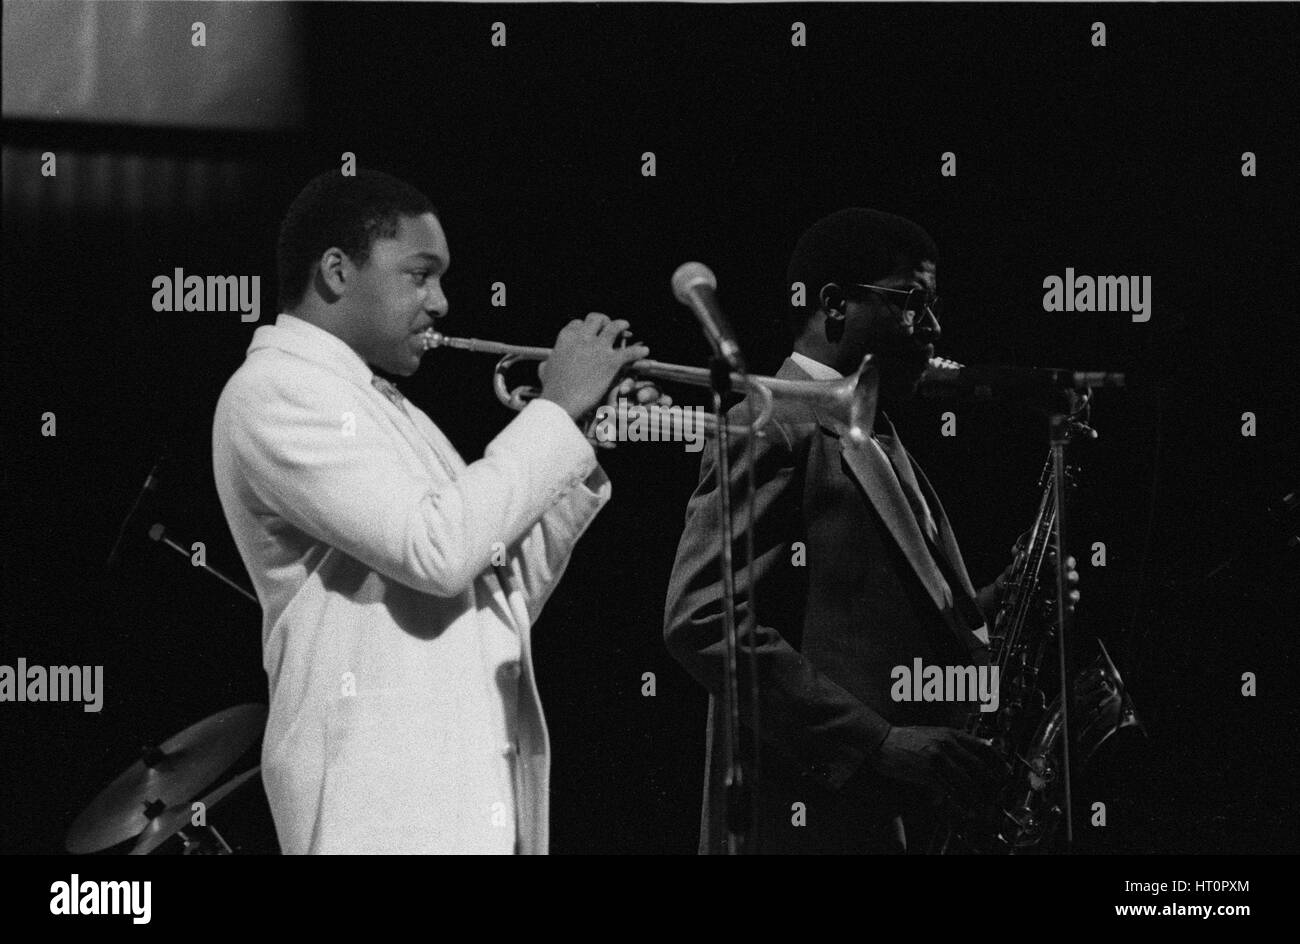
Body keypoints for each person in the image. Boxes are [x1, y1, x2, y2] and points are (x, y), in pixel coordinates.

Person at [213, 169, 657, 854]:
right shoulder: (276, 388)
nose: (441, 302)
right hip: (383, 806)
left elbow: (500, 592)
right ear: (336, 271)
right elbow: (439, 551)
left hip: (459, 796)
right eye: (420, 275)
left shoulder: (388, 407)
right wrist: (554, 410)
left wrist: (580, 437)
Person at [663, 207, 1077, 854]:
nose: (934, 329)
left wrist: (1009, 596)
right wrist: (877, 743)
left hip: (883, 818)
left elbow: (871, 616)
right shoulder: (771, 423)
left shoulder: (876, 434)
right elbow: (702, 618)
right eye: (915, 302)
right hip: (808, 821)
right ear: (835, 306)